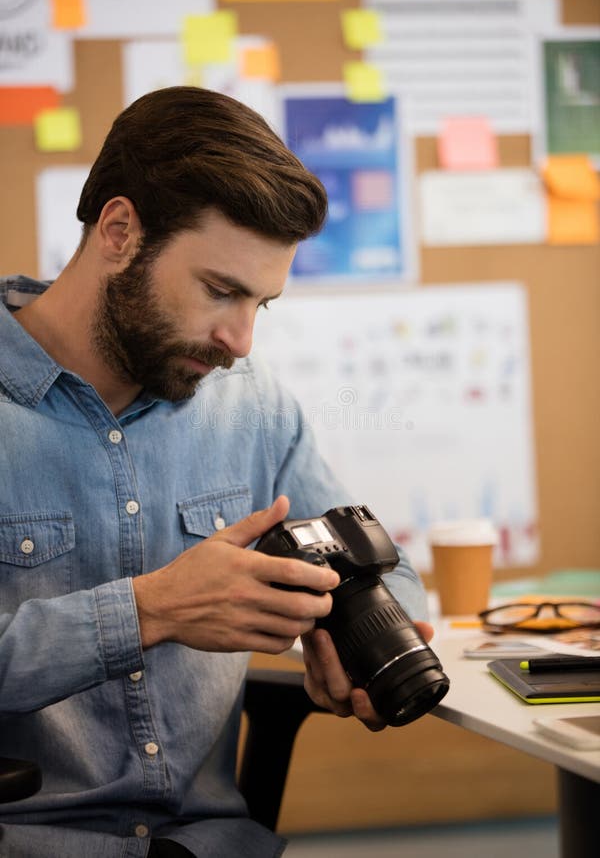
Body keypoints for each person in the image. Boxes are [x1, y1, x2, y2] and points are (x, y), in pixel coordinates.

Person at [0, 86, 431, 858]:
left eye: (260, 304)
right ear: (120, 232)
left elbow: (381, 573)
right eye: (221, 290)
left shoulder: (249, 406)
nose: (240, 341)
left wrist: (351, 647)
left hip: (213, 845)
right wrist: (144, 611)